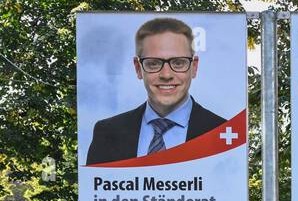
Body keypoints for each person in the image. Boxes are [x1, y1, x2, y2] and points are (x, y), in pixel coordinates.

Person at [85, 17, 228, 166]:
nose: (166, 75)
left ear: (194, 67)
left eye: (178, 63)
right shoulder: (107, 132)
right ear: (138, 68)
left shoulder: (221, 133)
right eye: (153, 63)